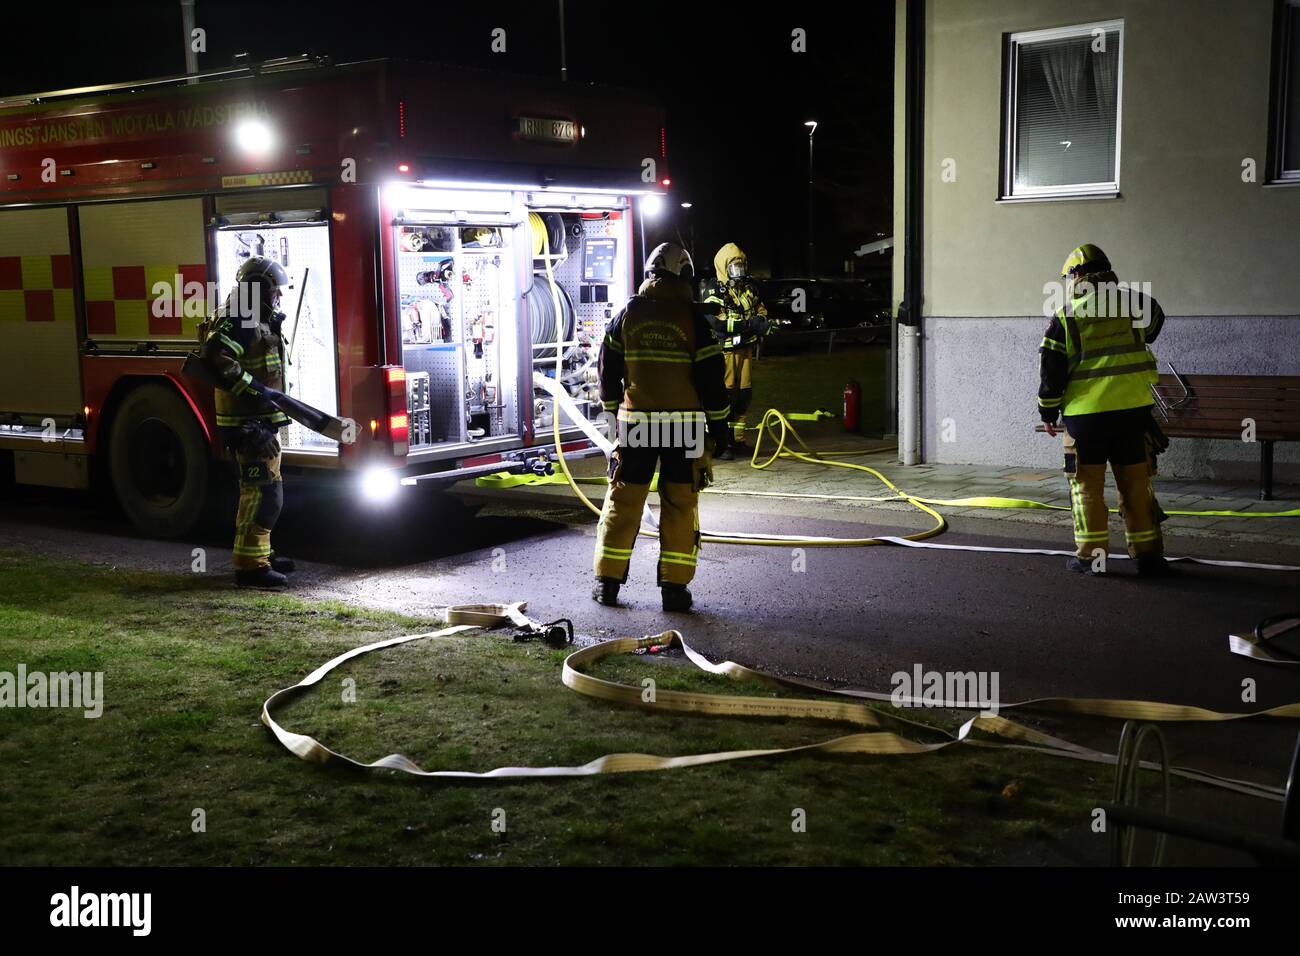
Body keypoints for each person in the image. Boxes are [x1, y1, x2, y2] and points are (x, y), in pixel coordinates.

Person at [592, 242, 730, 612]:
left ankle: (607, 584)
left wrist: (612, 417)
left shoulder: (628, 314)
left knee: (624, 500)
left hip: (636, 425)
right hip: (683, 428)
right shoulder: (693, 320)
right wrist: (720, 429)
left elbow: (607, 370)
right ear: (684, 275)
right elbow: (712, 380)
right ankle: (674, 591)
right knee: (680, 504)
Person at [1038, 243, 1169, 575]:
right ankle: (1149, 558)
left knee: (1087, 489)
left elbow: (1052, 371)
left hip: (1087, 420)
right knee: (1137, 486)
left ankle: (1091, 558)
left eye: (1069, 277)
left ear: (1077, 276)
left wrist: (1047, 413)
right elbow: (1155, 322)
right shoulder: (1133, 306)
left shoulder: (1066, 317)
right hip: (1133, 414)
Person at [198, 256, 296, 588]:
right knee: (262, 494)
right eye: (274, 290)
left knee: (268, 490)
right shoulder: (240, 316)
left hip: (259, 420)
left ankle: (261, 554)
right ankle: (251, 567)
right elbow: (218, 357)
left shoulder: (253, 314)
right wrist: (254, 390)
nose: (278, 297)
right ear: (257, 288)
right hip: (248, 423)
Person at [702, 242, 768, 459]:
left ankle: (738, 440)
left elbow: (760, 310)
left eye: (741, 266)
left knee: (744, 396)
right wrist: (748, 325)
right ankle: (721, 443)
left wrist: (762, 322)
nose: (738, 270)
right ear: (724, 267)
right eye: (733, 266)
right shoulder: (714, 290)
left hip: (746, 350)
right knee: (725, 398)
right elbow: (716, 323)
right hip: (726, 353)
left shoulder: (748, 289)